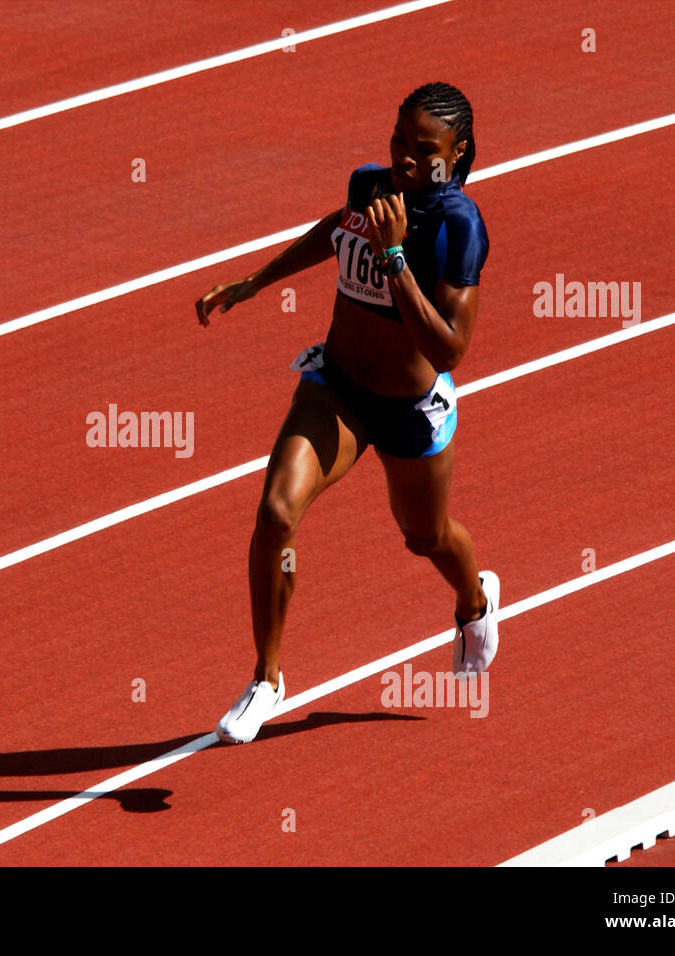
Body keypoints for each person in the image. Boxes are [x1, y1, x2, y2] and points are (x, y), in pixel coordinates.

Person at [195, 82, 500, 745]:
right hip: (337, 388)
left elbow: (452, 348)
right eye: (399, 141)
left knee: (425, 538)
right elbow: (336, 229)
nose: (406, 159)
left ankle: (475, 601)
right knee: (276, 512)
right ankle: (267, 678)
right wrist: (257, 280)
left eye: (425, 150)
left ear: (458, 154)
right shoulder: (369, 186)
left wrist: (395, 259)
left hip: (410, 407)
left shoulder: (458, 227)